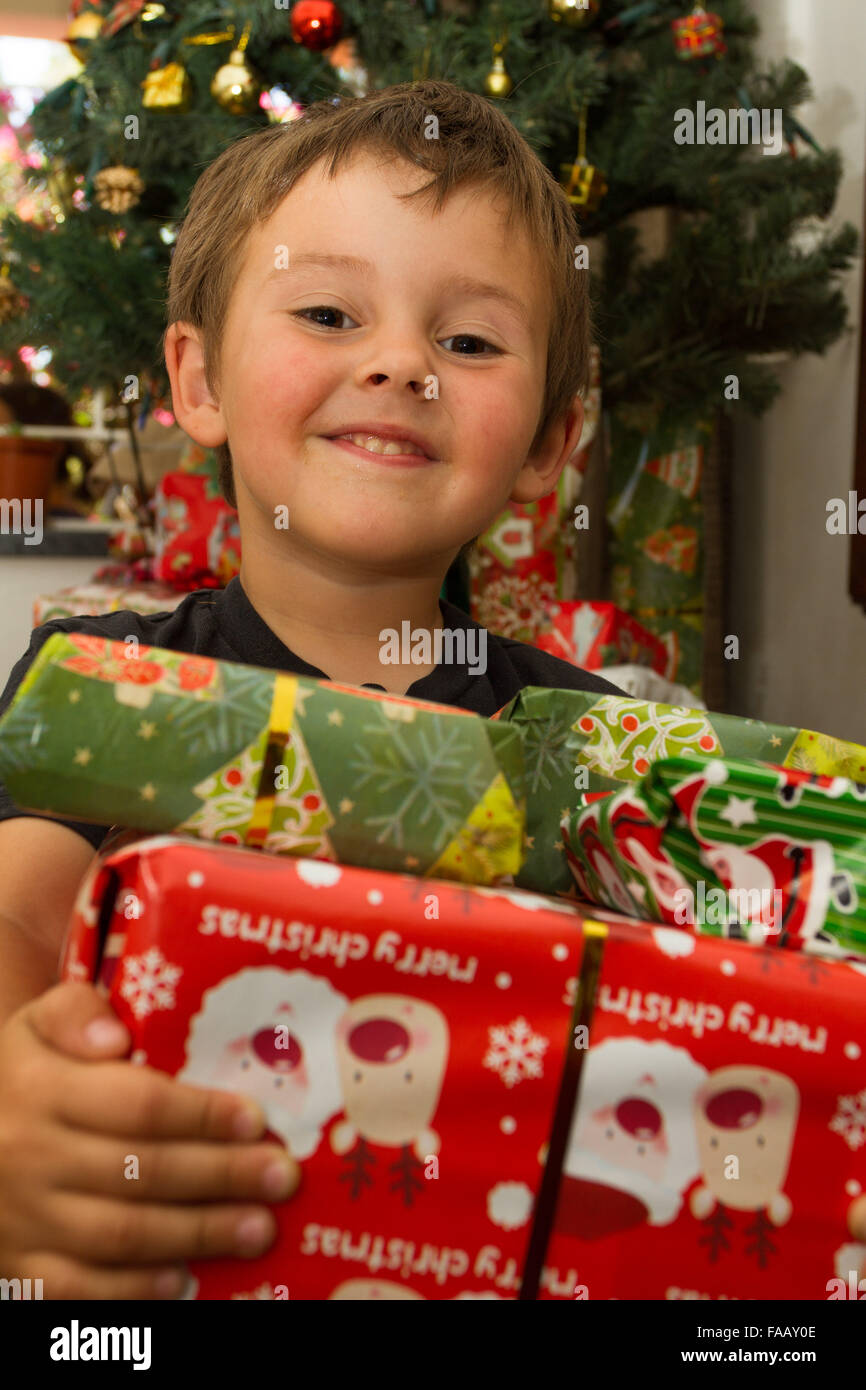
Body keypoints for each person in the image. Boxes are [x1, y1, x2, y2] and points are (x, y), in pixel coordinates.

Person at [0, 79, 859, 1301]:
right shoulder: (111, 688)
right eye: (329, 311)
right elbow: (19, 924)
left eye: (466, 340)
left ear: (552, 441)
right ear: (194, 382)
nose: (401, 361)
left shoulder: (596, 752)